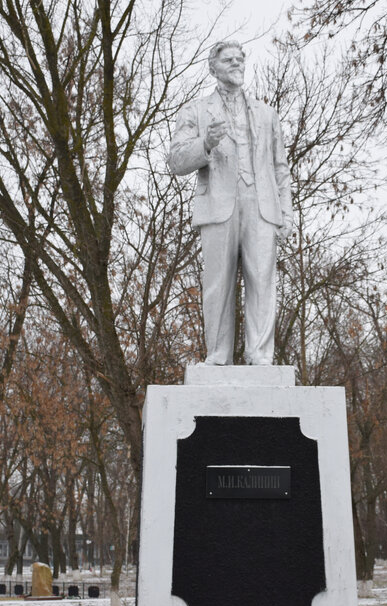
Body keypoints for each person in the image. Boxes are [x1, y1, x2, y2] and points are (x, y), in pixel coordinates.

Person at [168, 41, 291, 366]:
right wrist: (204, 144)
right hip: (219, 206)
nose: (236, 64)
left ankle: (260, 355)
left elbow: (280, 167)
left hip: (262, 205)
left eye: (240, 59)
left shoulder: (266, 114)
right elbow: (176, 161)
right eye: (228, 60)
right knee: (218, 282)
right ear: (213, 68)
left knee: (263, 279)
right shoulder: (196, 110)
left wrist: (287, 213)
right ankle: (219, 355)